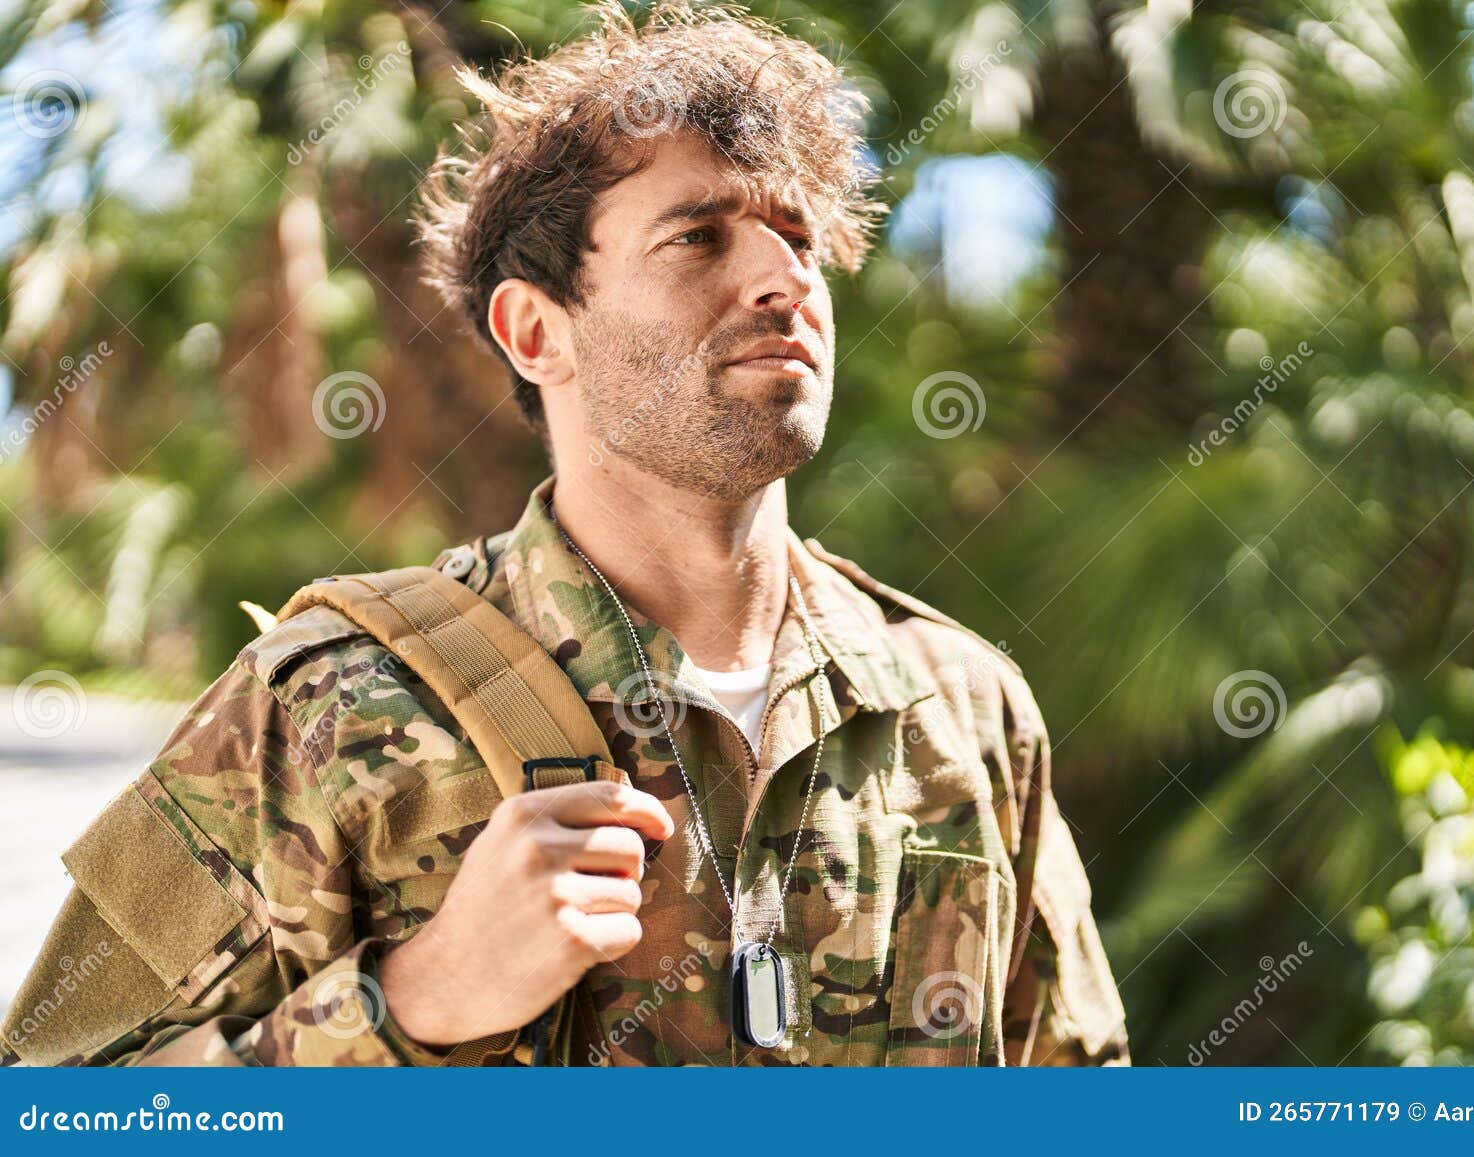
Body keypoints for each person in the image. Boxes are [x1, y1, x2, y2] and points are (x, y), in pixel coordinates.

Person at [1, 1, 1128, 1067]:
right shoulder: (322, 706)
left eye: (797, 235)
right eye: (698, 237)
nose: (787, 278)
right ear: (538, 329)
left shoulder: (961, 705)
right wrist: (419, 1001)